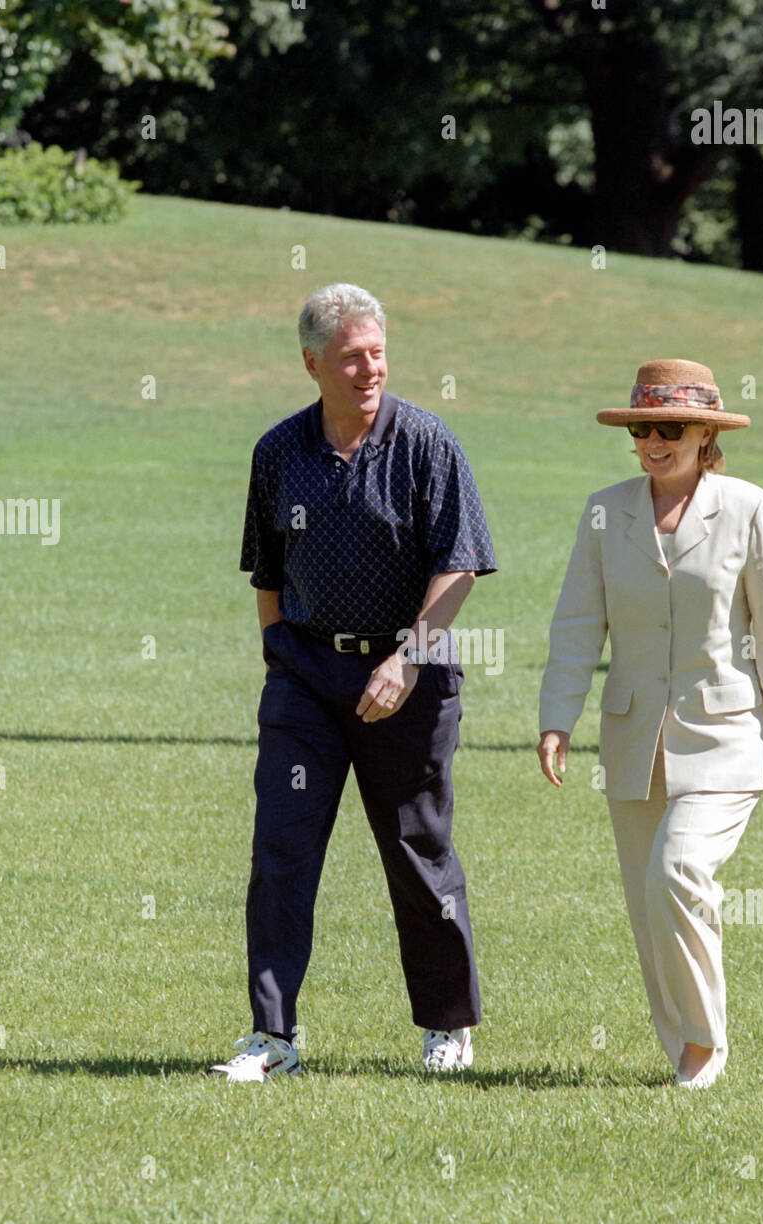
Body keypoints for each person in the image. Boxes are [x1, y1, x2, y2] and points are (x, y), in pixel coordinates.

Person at [212, 284, 496, 1081]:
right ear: (312, 365)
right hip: (304, 676)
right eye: (350, 358)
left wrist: (405, 658)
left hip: (409, 672)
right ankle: (273, 1036)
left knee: (416, 850)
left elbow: (459, 562)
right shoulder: (278, 452)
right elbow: (265, 569)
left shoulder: (427, 443)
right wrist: (278, 651)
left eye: (376, 352)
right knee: (282, 848)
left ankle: (446, 1026)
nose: (369, 369)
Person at [537, 359, 763, 1089]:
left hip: (727, 736)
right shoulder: (604, 510)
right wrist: (555, 718)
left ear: (705, 434)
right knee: (646, 904)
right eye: (642, 428)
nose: (654, 440)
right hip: (632, 740)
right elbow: (575, 626)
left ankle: (703, 1046)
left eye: (671, 427)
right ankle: (680, 1050)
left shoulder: (752, 508)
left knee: (677, 870)